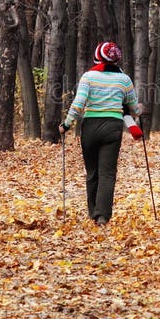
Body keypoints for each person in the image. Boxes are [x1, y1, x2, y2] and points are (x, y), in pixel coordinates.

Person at [60, 42, 141, 226]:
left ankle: (92, 211)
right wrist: (140, 110)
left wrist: (66, 124)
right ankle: (102, 215)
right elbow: (134, 108)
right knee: (107, 173)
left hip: (90, 127)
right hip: (112, 127)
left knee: (92, 172)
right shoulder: (124, 79)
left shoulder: (88, 77)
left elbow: (79, 103)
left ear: (97, 57)